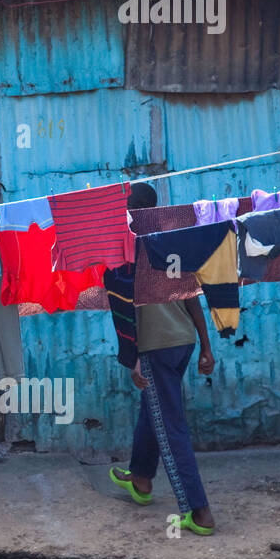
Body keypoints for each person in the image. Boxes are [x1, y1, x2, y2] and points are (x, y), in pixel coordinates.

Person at [108, 182, 217, 535]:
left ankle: (199, 512)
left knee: (170, 425)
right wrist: (204, 345)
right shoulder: (172, 241)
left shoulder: (127, 248)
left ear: (133, 209)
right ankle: (140, 479)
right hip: (182, 342)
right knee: (153, 407)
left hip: (155, 347)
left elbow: (122, 309)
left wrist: (133, 357)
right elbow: (192, 295)